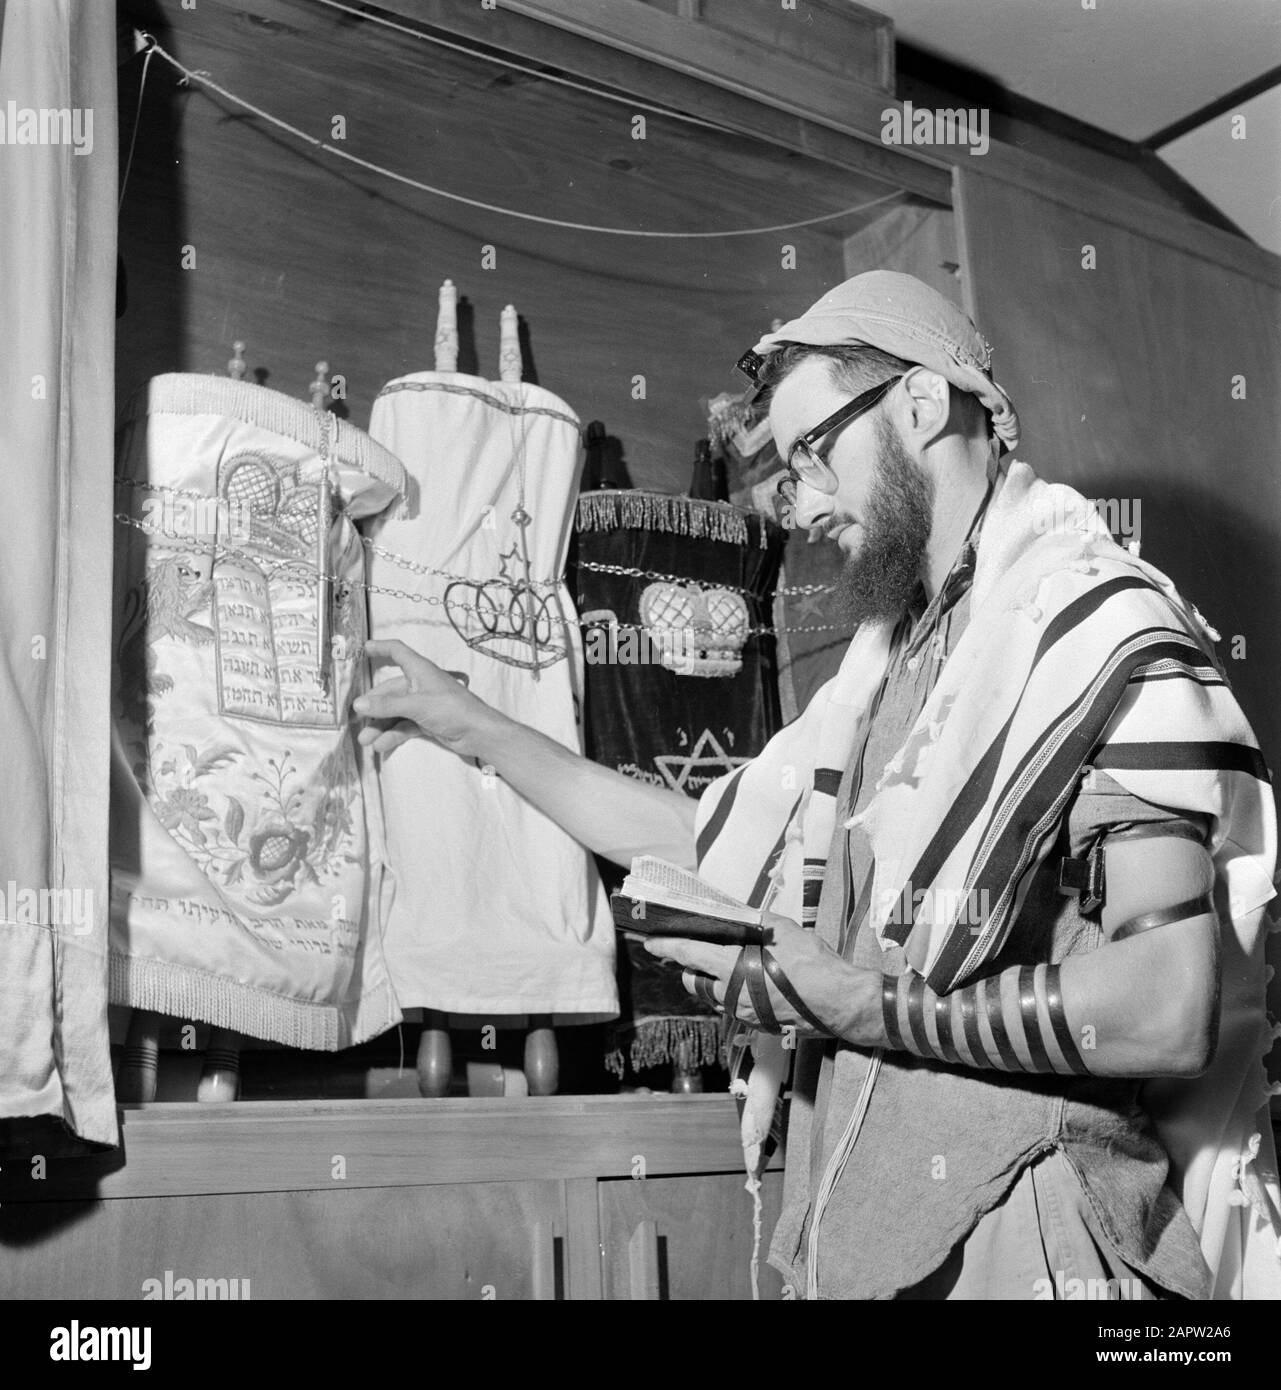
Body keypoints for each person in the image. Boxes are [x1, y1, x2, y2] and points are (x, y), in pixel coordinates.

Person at [353, 271, 1280, 1301]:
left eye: (815, 450)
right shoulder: (883, 678)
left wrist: (852, 1000)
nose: (802, 505)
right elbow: (701, 836)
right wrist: (468, 721)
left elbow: (1166, 1002)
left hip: (1038, 1244)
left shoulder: (1097, 633)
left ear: (923, 406)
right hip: (867, 1245)